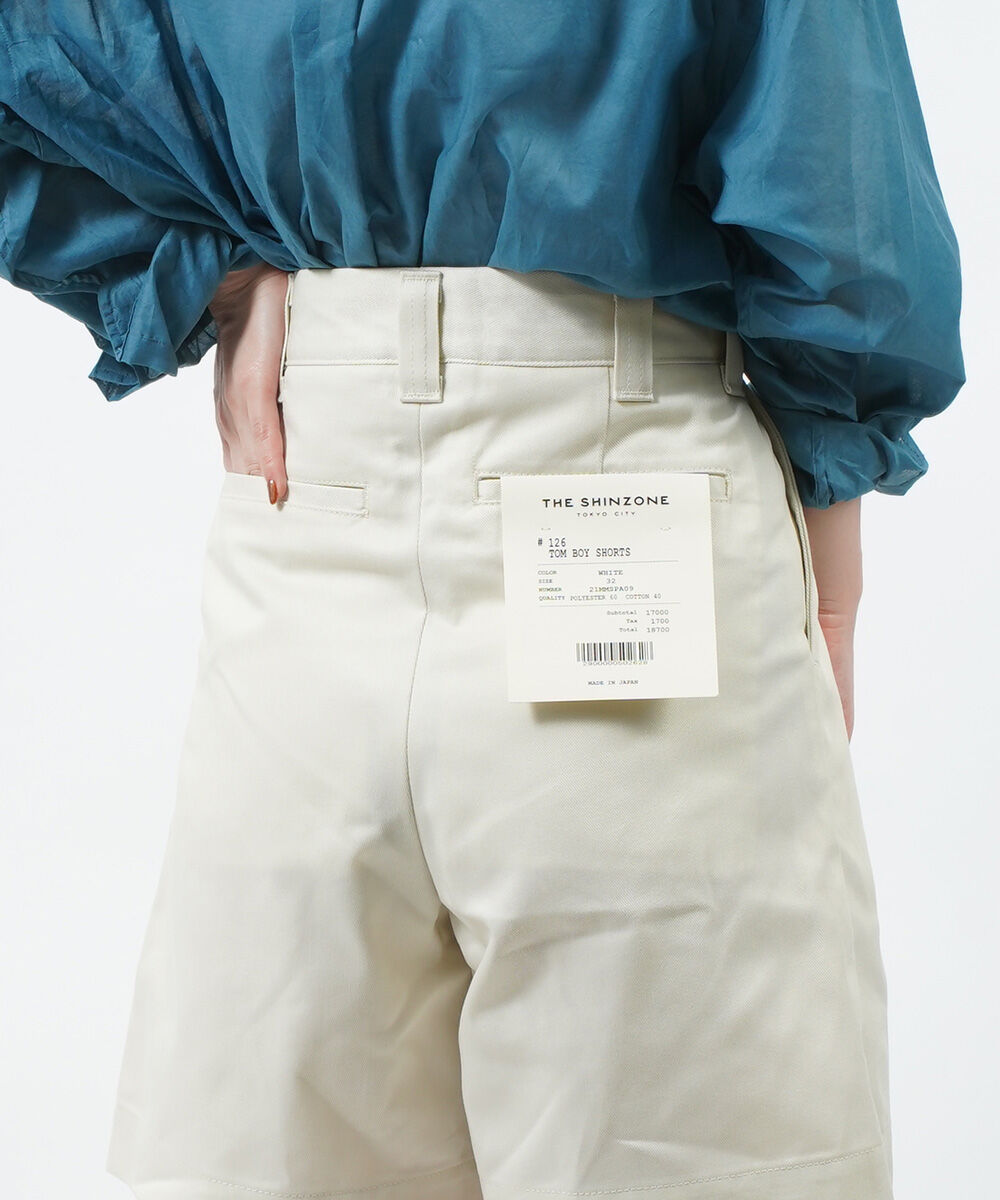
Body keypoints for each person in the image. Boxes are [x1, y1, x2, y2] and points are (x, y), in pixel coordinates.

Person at [0, 4, 964, 1200]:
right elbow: (832, 171)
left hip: (310, 493)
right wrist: (833, 539)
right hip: (631, 462)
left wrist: (227, 281)